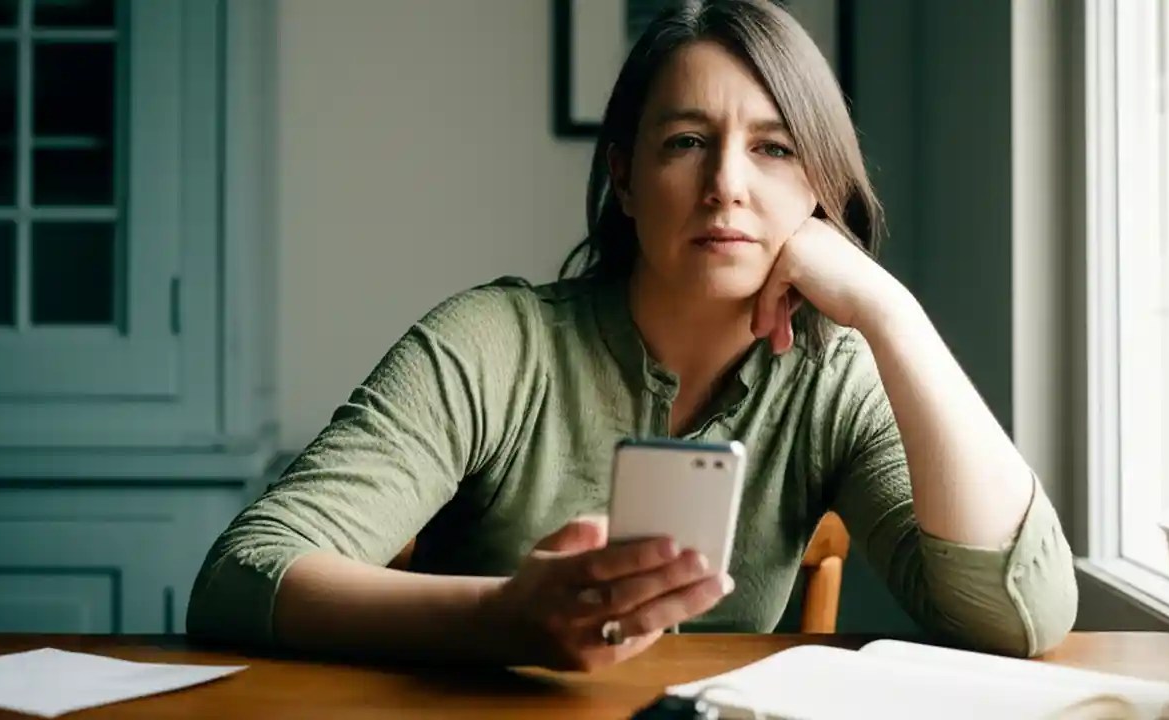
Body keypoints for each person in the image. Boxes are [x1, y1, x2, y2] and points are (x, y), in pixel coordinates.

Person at [187, 0, 1077, 671]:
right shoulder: (497, 343)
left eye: (773, 149)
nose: (727, 184)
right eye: (688, 141)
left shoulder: (834, 380)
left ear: (819, 185)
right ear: (624, 174)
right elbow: (240, 577)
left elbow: (1019, 617)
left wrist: (891, 314)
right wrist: (504, 618)